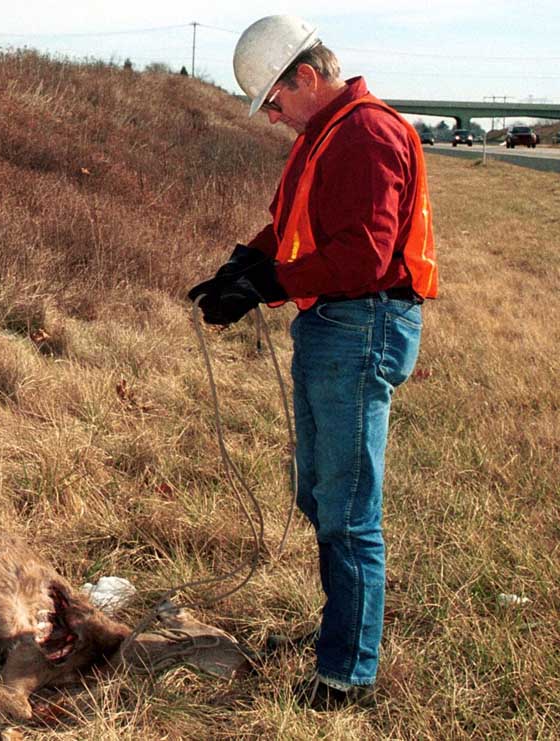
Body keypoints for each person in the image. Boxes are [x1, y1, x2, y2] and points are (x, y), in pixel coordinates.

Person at [187, 15, 438, 710]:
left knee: (348, 512)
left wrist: (271, 283)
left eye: (273, 100)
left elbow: (362, 257)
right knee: (321, 496)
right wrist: (248, 262)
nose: (272, 116)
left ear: (307, 76)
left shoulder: (366, 134)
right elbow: (297, 226)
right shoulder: (325, 136)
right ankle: (340, 632)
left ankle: (346, 674)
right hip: (333, 323)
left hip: (362, 324)